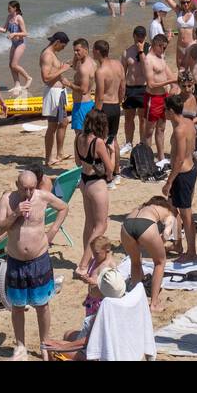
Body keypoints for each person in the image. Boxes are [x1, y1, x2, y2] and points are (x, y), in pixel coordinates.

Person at [0, 171, 69, 361]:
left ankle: (44, 343)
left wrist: (53, 230)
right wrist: (16, 213)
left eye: (31, 188)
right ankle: (20, 345)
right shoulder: (7, 199)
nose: (27, 193)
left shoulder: (42, 197)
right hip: (16, 261)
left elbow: (63, 207)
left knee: (42, 305)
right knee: (17, 306)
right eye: (23, 188)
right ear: (16, 184)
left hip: (39, 259)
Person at [74, 108, 118, 281]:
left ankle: (89, 258)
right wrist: (112, 151)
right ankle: (83, 265)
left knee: (89, 223)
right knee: (101, 225)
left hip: (84, 181)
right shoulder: (98, 142)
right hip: (96, 184)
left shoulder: (78, 137)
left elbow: (78, 161)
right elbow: (110, 169)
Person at [121, 196, 179, 313]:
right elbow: (167, 234)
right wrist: (162, 241)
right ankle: (154, 304)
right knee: (160, 262)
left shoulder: (142, 207)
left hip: (127, 225)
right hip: (146, 225)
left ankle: (136, 300)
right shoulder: (168, 212)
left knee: (135, 262)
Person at [161, 95, 197, 263]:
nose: (163, 112)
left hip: (182, 174)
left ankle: (191, 251)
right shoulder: (189, 122)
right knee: (173, 210)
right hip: (188, 170)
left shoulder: (179, 130)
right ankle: (177, 244)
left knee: (186, 215)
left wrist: (169, 182)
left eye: (165, 109)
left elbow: (179, 159)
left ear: (171, 111)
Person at [38, 32, 72, 166]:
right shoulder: (47, 55)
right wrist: (62, 69)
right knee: (52, 126)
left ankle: (60, 153)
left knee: (63, 123)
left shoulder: (52, 54)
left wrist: (64, 68)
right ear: (57, 42)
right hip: (53, 94)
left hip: (60, 93)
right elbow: (46, 78)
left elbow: (55, 71)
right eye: (62, 46)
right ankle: (48, 158)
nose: (62, 49)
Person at [143, 34, 179, 163]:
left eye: (165, 48)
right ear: (156, 45)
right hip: (153, 98)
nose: (163, 50)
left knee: (161, 128)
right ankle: (147, 158)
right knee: (149, 130)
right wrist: (170, 81)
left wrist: (173, 86)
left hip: (164, 97)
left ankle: (161, 157)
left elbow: (169, 76)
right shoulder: (148, 60)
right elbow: (151, 84)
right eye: (162, 47)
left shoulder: (161, 57)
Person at [92, 39, 125, 174]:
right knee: (113, 139)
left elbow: (99, 96)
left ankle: (109, 172)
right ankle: (117, 169)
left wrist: (96, 113)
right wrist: (120, 101)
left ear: (98, 51)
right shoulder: (118, 65)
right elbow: (123, 87)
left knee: (103, 140)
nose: (92, 53)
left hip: (104, 107)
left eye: (93, 50)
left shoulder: (100, 71)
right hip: (116, 106)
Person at [0, 0, 34, 94]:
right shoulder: (9, 17)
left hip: (21, 43)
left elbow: (25, 33)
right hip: (14, 44)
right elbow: (4, 30)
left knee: (14, 65)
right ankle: (17, 85)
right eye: (8, 8)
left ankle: (28, 78)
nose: (8, 10)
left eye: (9, 8)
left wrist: (14, 34)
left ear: (15, 8)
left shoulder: (19, 18)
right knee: (11, 65)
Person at [121, 26, 149, 157]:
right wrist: (121, 91)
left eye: (142, 37)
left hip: (143, 88)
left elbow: (150, 69)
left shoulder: (149, 51)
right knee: (128, 118)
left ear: (145, 37)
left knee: (143, 118)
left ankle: (143, 142)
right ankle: (128, 142)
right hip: (130, 88)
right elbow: (122, 73)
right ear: (133, 36)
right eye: (138, 37)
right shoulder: (127, 52)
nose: (140, 40)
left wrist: (141, 51)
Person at [69, 38, 97, 139]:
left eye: (78, 50)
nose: (75, 53)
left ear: (86, 50)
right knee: (89, 135)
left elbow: (83, 90)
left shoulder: (83, 67)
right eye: (74, 51)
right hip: (88, 103)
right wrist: (76, 56)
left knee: (80, 137)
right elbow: (74, 67)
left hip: (81, 105)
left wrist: (69, 84)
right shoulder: (92, 63)